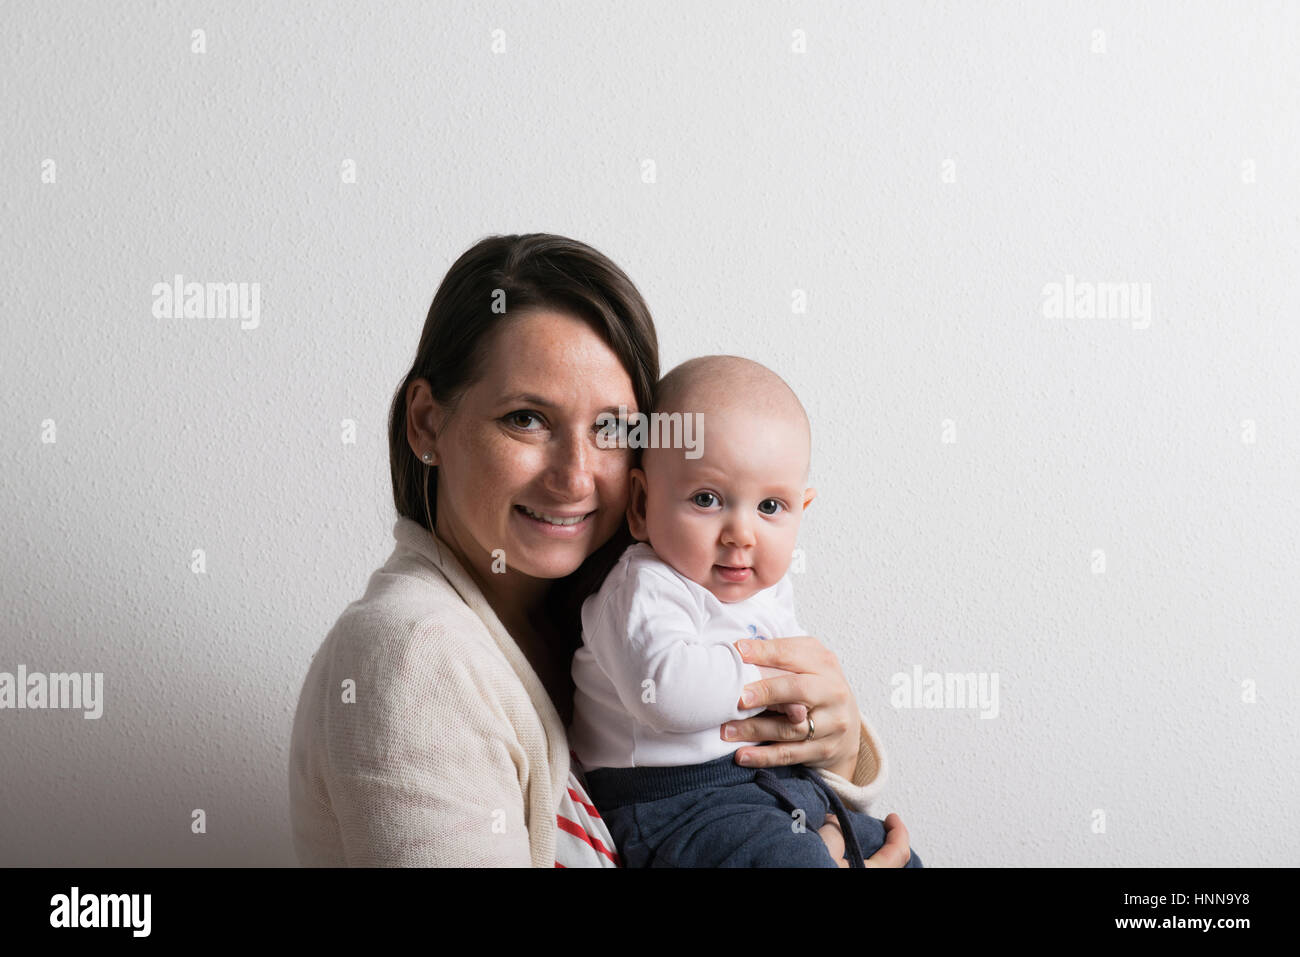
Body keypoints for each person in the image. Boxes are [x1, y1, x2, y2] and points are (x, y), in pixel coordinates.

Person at [287, 233, 915, 867]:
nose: (576, 476)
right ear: (427, 421)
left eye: (612, 428)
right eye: (526, 418)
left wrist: (828, 749)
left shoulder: (593, 606)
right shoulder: (415, 658)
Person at [571, 355, 923, 867]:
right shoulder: (642, 585)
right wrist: (776, 673)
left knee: (899, 853)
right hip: (676, 806)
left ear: (802, 510)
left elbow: (806, 698)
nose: (741, 533)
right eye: (708, 498)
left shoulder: (768, 589)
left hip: (774, 789)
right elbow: (666, 692)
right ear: (642, 505)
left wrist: (804, 704)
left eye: (770, 507)